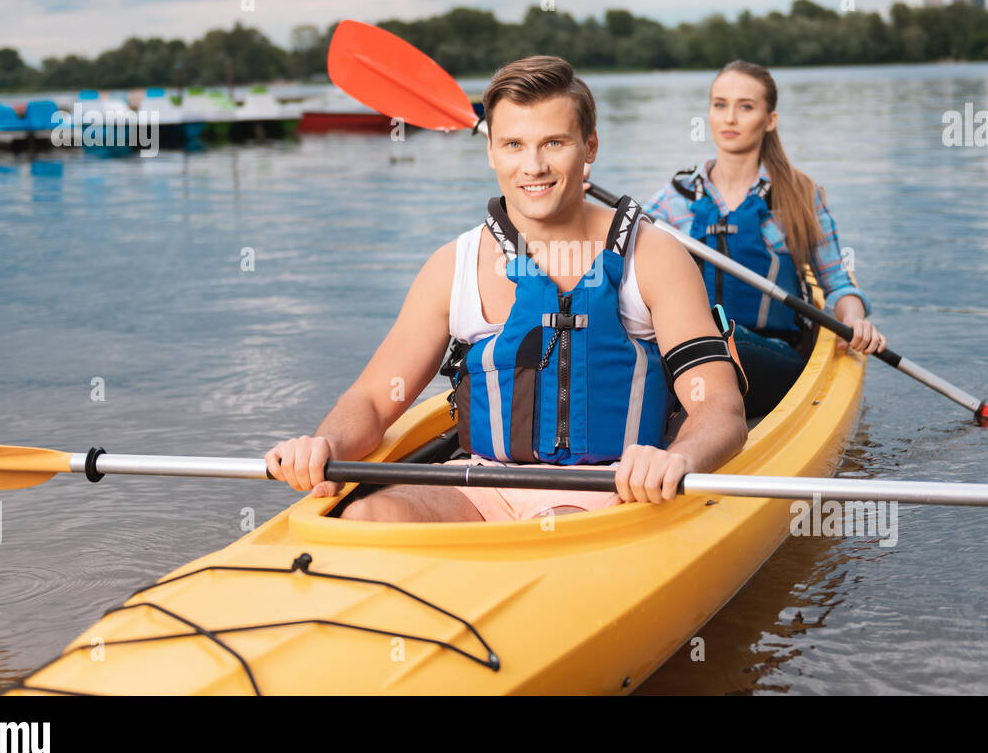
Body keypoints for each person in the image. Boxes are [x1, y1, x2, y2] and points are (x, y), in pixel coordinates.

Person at [266, 56, 747, 522]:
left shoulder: (655, 256)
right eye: (514, 145)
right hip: (482, 486)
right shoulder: (453, 265)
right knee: (372, 513)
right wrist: (325, 445)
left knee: (557, 529)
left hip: (613, 489)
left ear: (590, 147)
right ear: (491, 151)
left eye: (554, 143)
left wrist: (678, 459)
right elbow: (372, 401)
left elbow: (718, 406)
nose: (532, 166)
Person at [643, 61, 884, 417]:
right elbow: (619, 259)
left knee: (724, 343)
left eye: (746, 107)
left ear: (769, 120)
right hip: (690, 354)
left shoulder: (800, 195)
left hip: (771, 356)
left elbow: (837, 283)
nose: (730, 119)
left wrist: (855, 320)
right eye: (720, 105)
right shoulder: (674, 198)